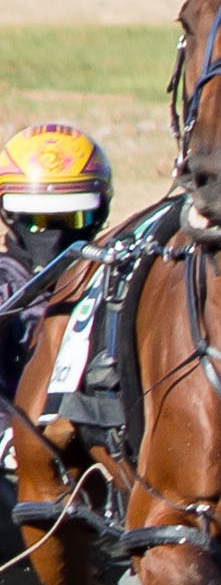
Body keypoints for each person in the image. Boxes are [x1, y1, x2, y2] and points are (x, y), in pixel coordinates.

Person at [0, 121, 109, 393]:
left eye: (73, 219)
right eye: (36, 223)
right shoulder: (4, 289)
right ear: (9, 216)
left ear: (98, 215)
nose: (54, 238)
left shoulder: (114, 287)